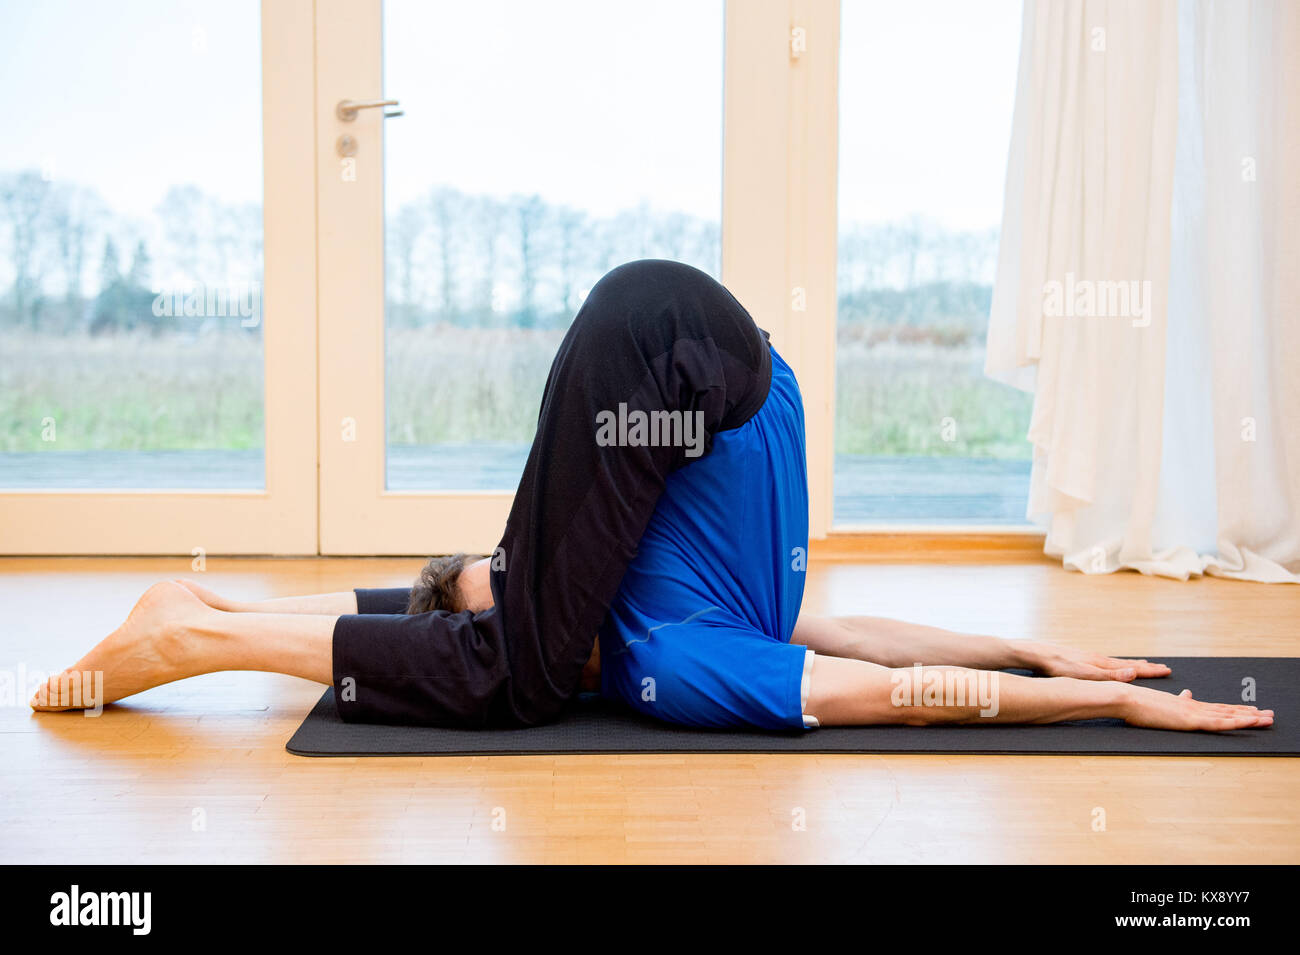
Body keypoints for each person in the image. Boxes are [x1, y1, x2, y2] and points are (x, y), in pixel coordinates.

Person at [30, 261, 1273, 734]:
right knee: (513, 663)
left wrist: (1053, 663)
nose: (522, 576)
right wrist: (1085, 687)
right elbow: (885, 670)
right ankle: (198, 620)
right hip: (694, 351)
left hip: (681, 355)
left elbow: (878, 669)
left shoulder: (664, 633)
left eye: (502, 581)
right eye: (506, 584)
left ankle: (195, 626)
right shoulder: (682, 646)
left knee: (512, 665)